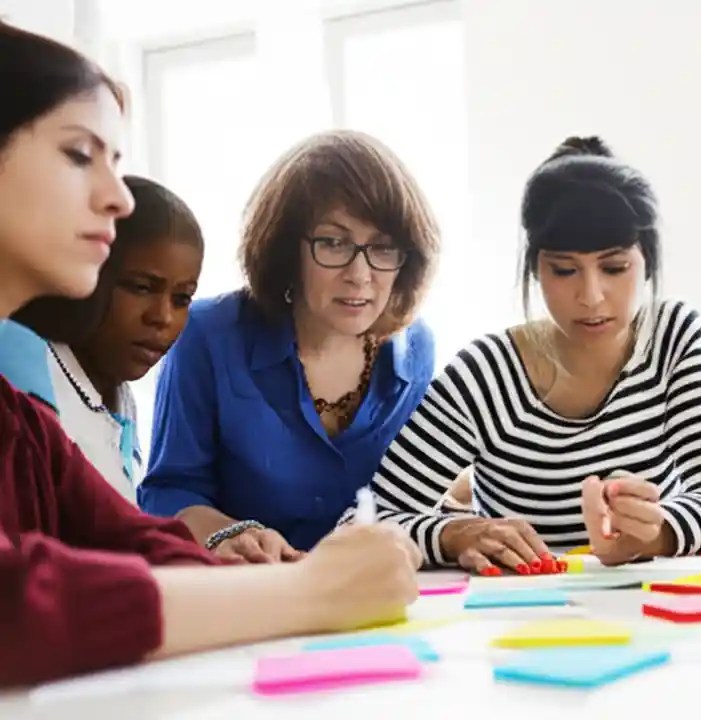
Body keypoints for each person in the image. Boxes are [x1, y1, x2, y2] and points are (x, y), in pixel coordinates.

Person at [0, 23, 420, 687]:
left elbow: (135, 537)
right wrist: (310, 592)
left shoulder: (19, 423)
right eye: (81, 154)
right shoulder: (208, 339)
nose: (120, 197)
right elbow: (17, 605)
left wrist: (297, 582)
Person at [345, 136, 701, 573]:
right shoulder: (485, 375)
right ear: (534, 269)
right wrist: (453, 534)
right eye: (564, 270)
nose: (592, 297)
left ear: (648, 262)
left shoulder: (673, 338)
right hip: (519, 622)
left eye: (615, 268)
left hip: (656, 610)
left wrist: (657, 533)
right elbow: (362, 525)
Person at [139, 130, 439, 562]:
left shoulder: (416, 350)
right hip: (248, 599)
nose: (360, 273)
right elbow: (166, 492)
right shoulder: (207, 335)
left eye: (383, 247)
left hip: (371, 600)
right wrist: (231, 534)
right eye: (333, 243)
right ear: (286, 248)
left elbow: (410, 501)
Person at [0, 175, 203, 501]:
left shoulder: (120, 395)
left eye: (182, 299)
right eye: (141, 287)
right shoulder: (26, 371)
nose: (162, 317)